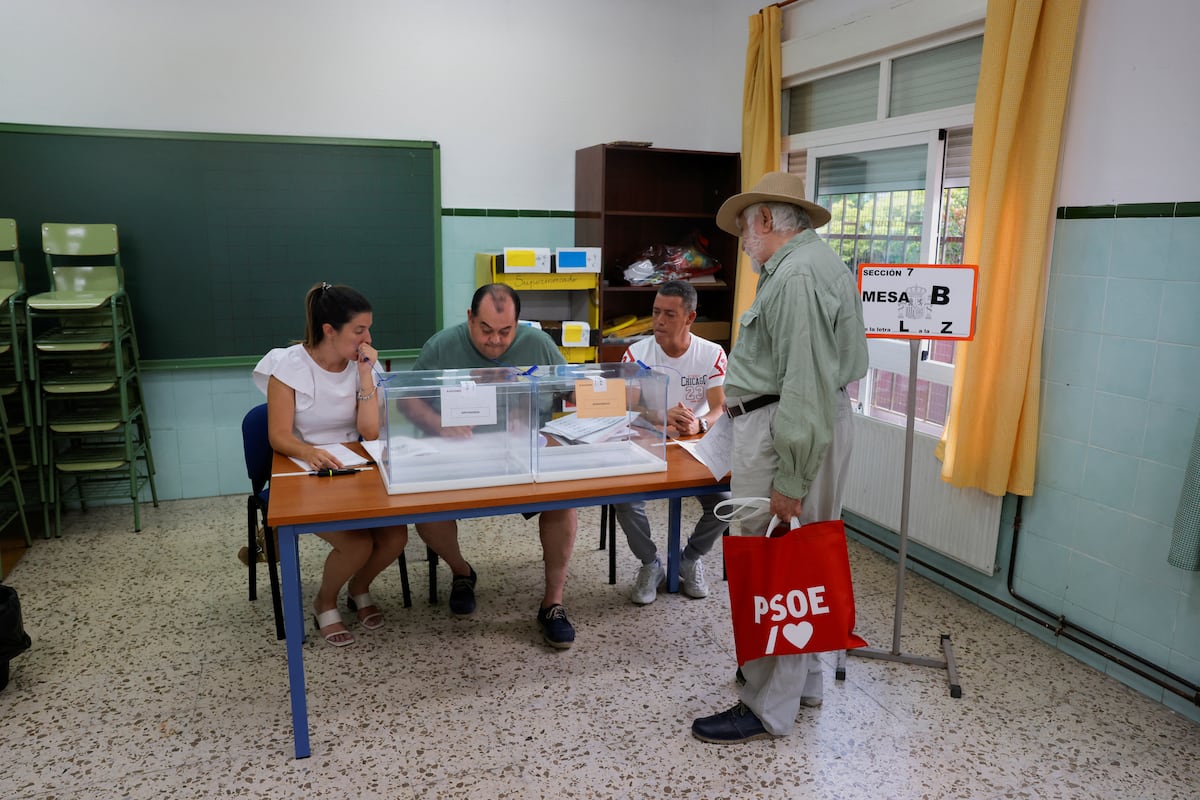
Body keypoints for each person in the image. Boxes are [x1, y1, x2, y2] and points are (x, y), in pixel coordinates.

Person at [690, 172, 868, 744]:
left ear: (766, 220)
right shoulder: (808, 265)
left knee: (777, 563)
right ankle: (803, 682)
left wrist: (791, 477)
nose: (743, 239)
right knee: (801, 559)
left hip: (784, 429)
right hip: (789, 422)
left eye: (745, 226)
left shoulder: (796, 277)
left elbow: (804, 384)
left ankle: (767, 705)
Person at [405, 283, 577, 649]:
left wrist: (548, 413)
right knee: (427, 512)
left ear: (518, 322)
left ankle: (553, 603)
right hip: (461, 454)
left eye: (505, 331)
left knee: (563, 503)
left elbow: (570, 389)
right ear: (470, 318)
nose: (495, 341)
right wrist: (439, 424)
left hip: (524, 453)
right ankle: (462, 572)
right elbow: (408, 400)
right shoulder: (442, 346)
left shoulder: (538, 343)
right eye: (485, 329)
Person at [252, 282, 409, 648]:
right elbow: (278, 436)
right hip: (305, 470)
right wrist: (308, 452)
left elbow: (369, 432)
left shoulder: (362, 366)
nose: (368, 338)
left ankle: (359, 587)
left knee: (395, 537)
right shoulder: (288, 365)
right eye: (359, 330)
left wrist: (366, 376)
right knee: (356, 545)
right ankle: (324, 601)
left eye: (368, 329)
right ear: (329, 330)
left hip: (355, 467)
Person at [616, 280, 730, 604]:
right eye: (655, 312)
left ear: (690, 317)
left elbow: (720, 407)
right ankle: (650, 564)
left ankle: (689, 559)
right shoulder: (636, 354)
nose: (659, 321)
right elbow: (625, 405)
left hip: (694, 448)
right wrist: (660, 416)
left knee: (728, 504)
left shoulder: (712, 353)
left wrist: (699, 422)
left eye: (669, 314)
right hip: (649, 444)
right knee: (625, 502)